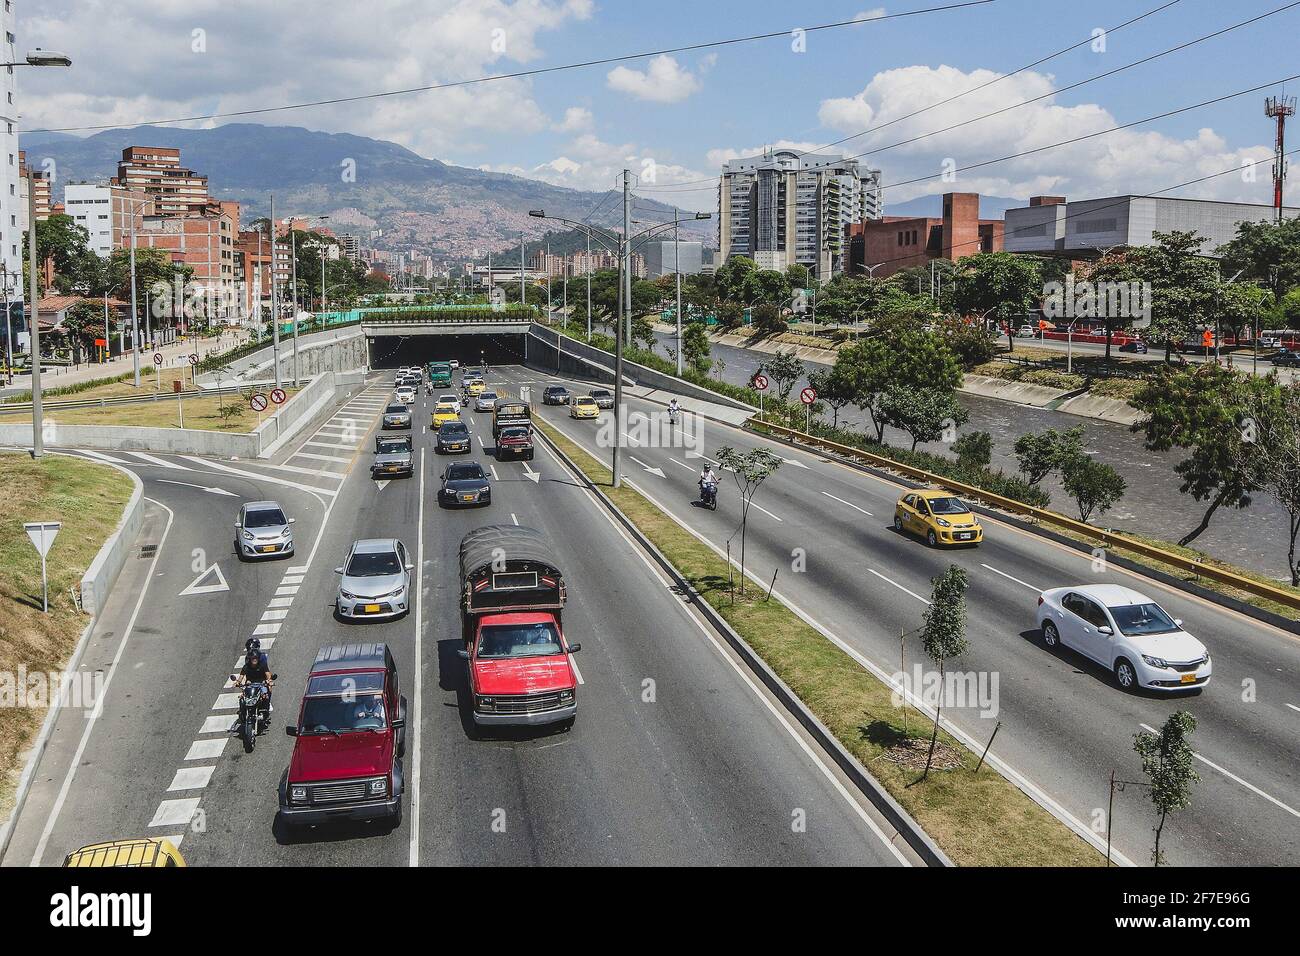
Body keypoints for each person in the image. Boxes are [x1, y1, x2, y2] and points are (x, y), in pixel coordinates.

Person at [233, 639, 274, 730]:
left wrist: (269, 681)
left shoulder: (262, 660)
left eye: (255, 658)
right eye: (252, 658)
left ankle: (266, 707)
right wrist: (239, 682)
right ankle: (243, 713)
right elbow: (244, 673)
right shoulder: (247, 662)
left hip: (261, 681)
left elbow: (267, 672)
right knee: (243, 697)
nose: (253, 659)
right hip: (251, 681)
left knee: (266, 693)